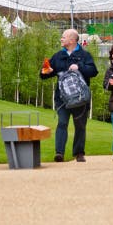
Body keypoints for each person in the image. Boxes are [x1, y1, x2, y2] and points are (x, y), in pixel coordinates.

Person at [40, 29, 98, 162]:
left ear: (72, 40)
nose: (61, 39)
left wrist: (79, 67)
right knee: (62, 123)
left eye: (63, 37)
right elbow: (43, 75)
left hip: (80, 98)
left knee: (80, 125)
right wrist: (46, 72)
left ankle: (79, 153)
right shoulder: (57, 56)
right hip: (62, 98)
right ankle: (59, 153)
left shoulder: (85, 55)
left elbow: (94, 71)